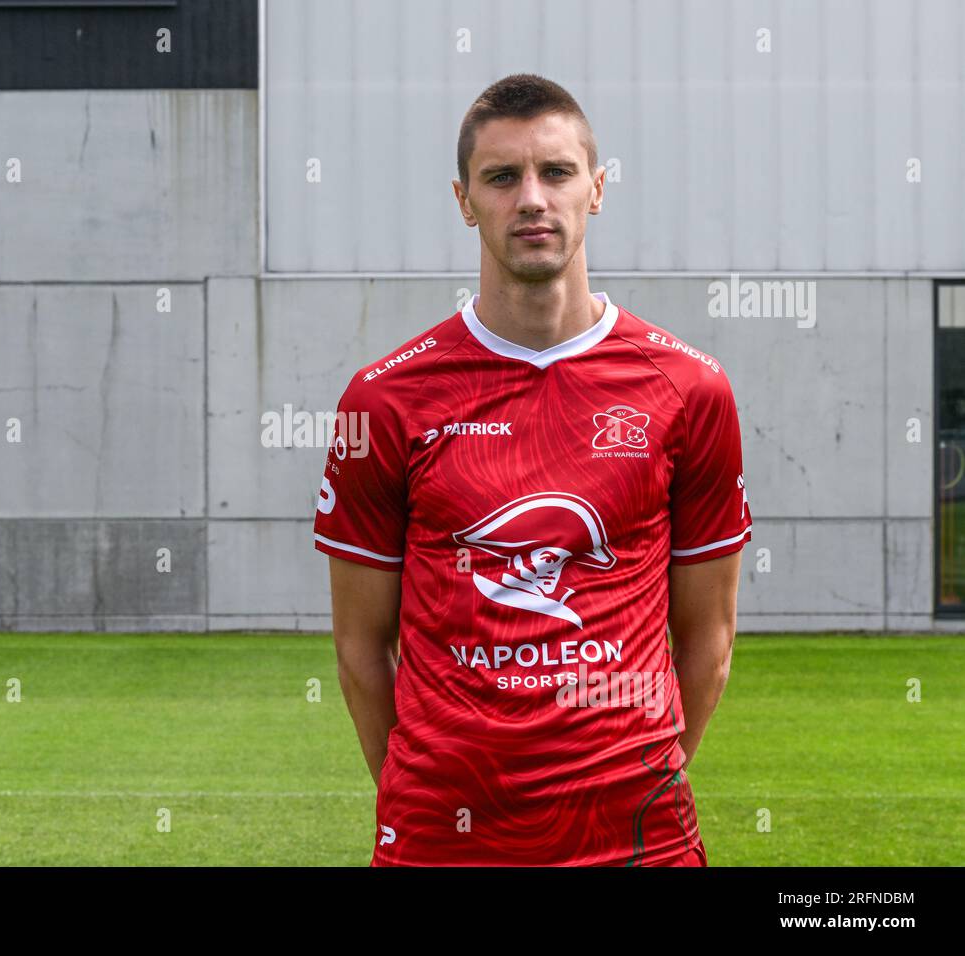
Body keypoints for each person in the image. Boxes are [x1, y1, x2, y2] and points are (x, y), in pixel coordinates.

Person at [312, 73, 751, 866]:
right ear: (464, 199)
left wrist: (634, 776)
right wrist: (423, 791)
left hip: (637, 836)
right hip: (439, 835)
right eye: (502, 177)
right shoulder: (384, 399)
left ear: (597, 188)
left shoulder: (690, 389)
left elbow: (708, 640)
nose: (532, 199)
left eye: (556, 172)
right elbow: (359, 650)